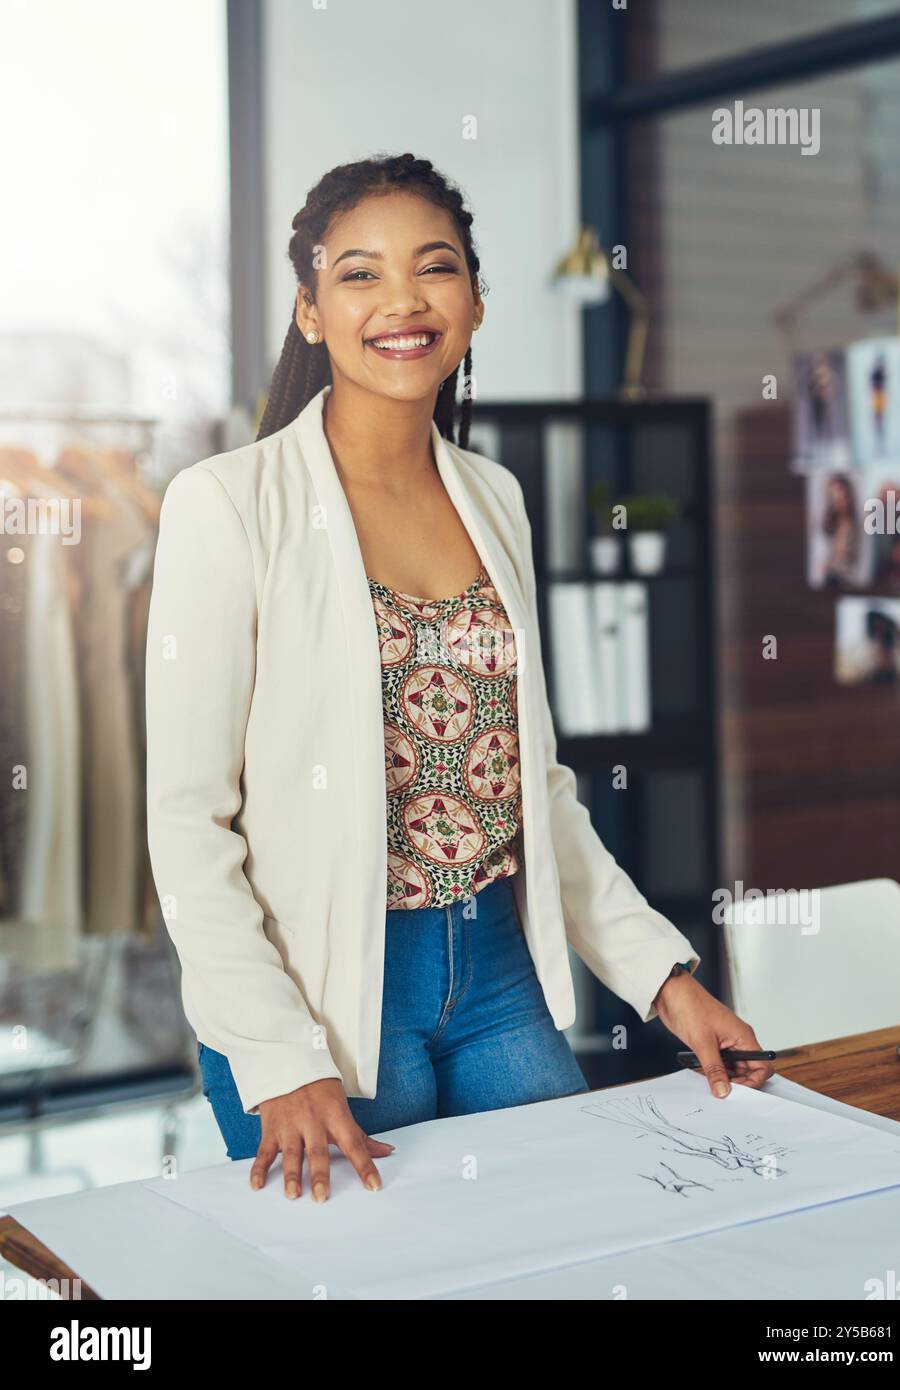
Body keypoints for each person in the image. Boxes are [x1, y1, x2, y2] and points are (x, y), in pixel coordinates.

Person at [145, 153, 773, 1204]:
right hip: (323, 991)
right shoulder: (227, 505)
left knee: (567, 1242)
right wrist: (275, 1050)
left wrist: (667, 980)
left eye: (433, 269)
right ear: (309, 310)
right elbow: (185, 819)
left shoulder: (495, 496)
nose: (401, 299)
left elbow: (538, 788)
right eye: (358, 274)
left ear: (473, 304)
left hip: (494, 973)